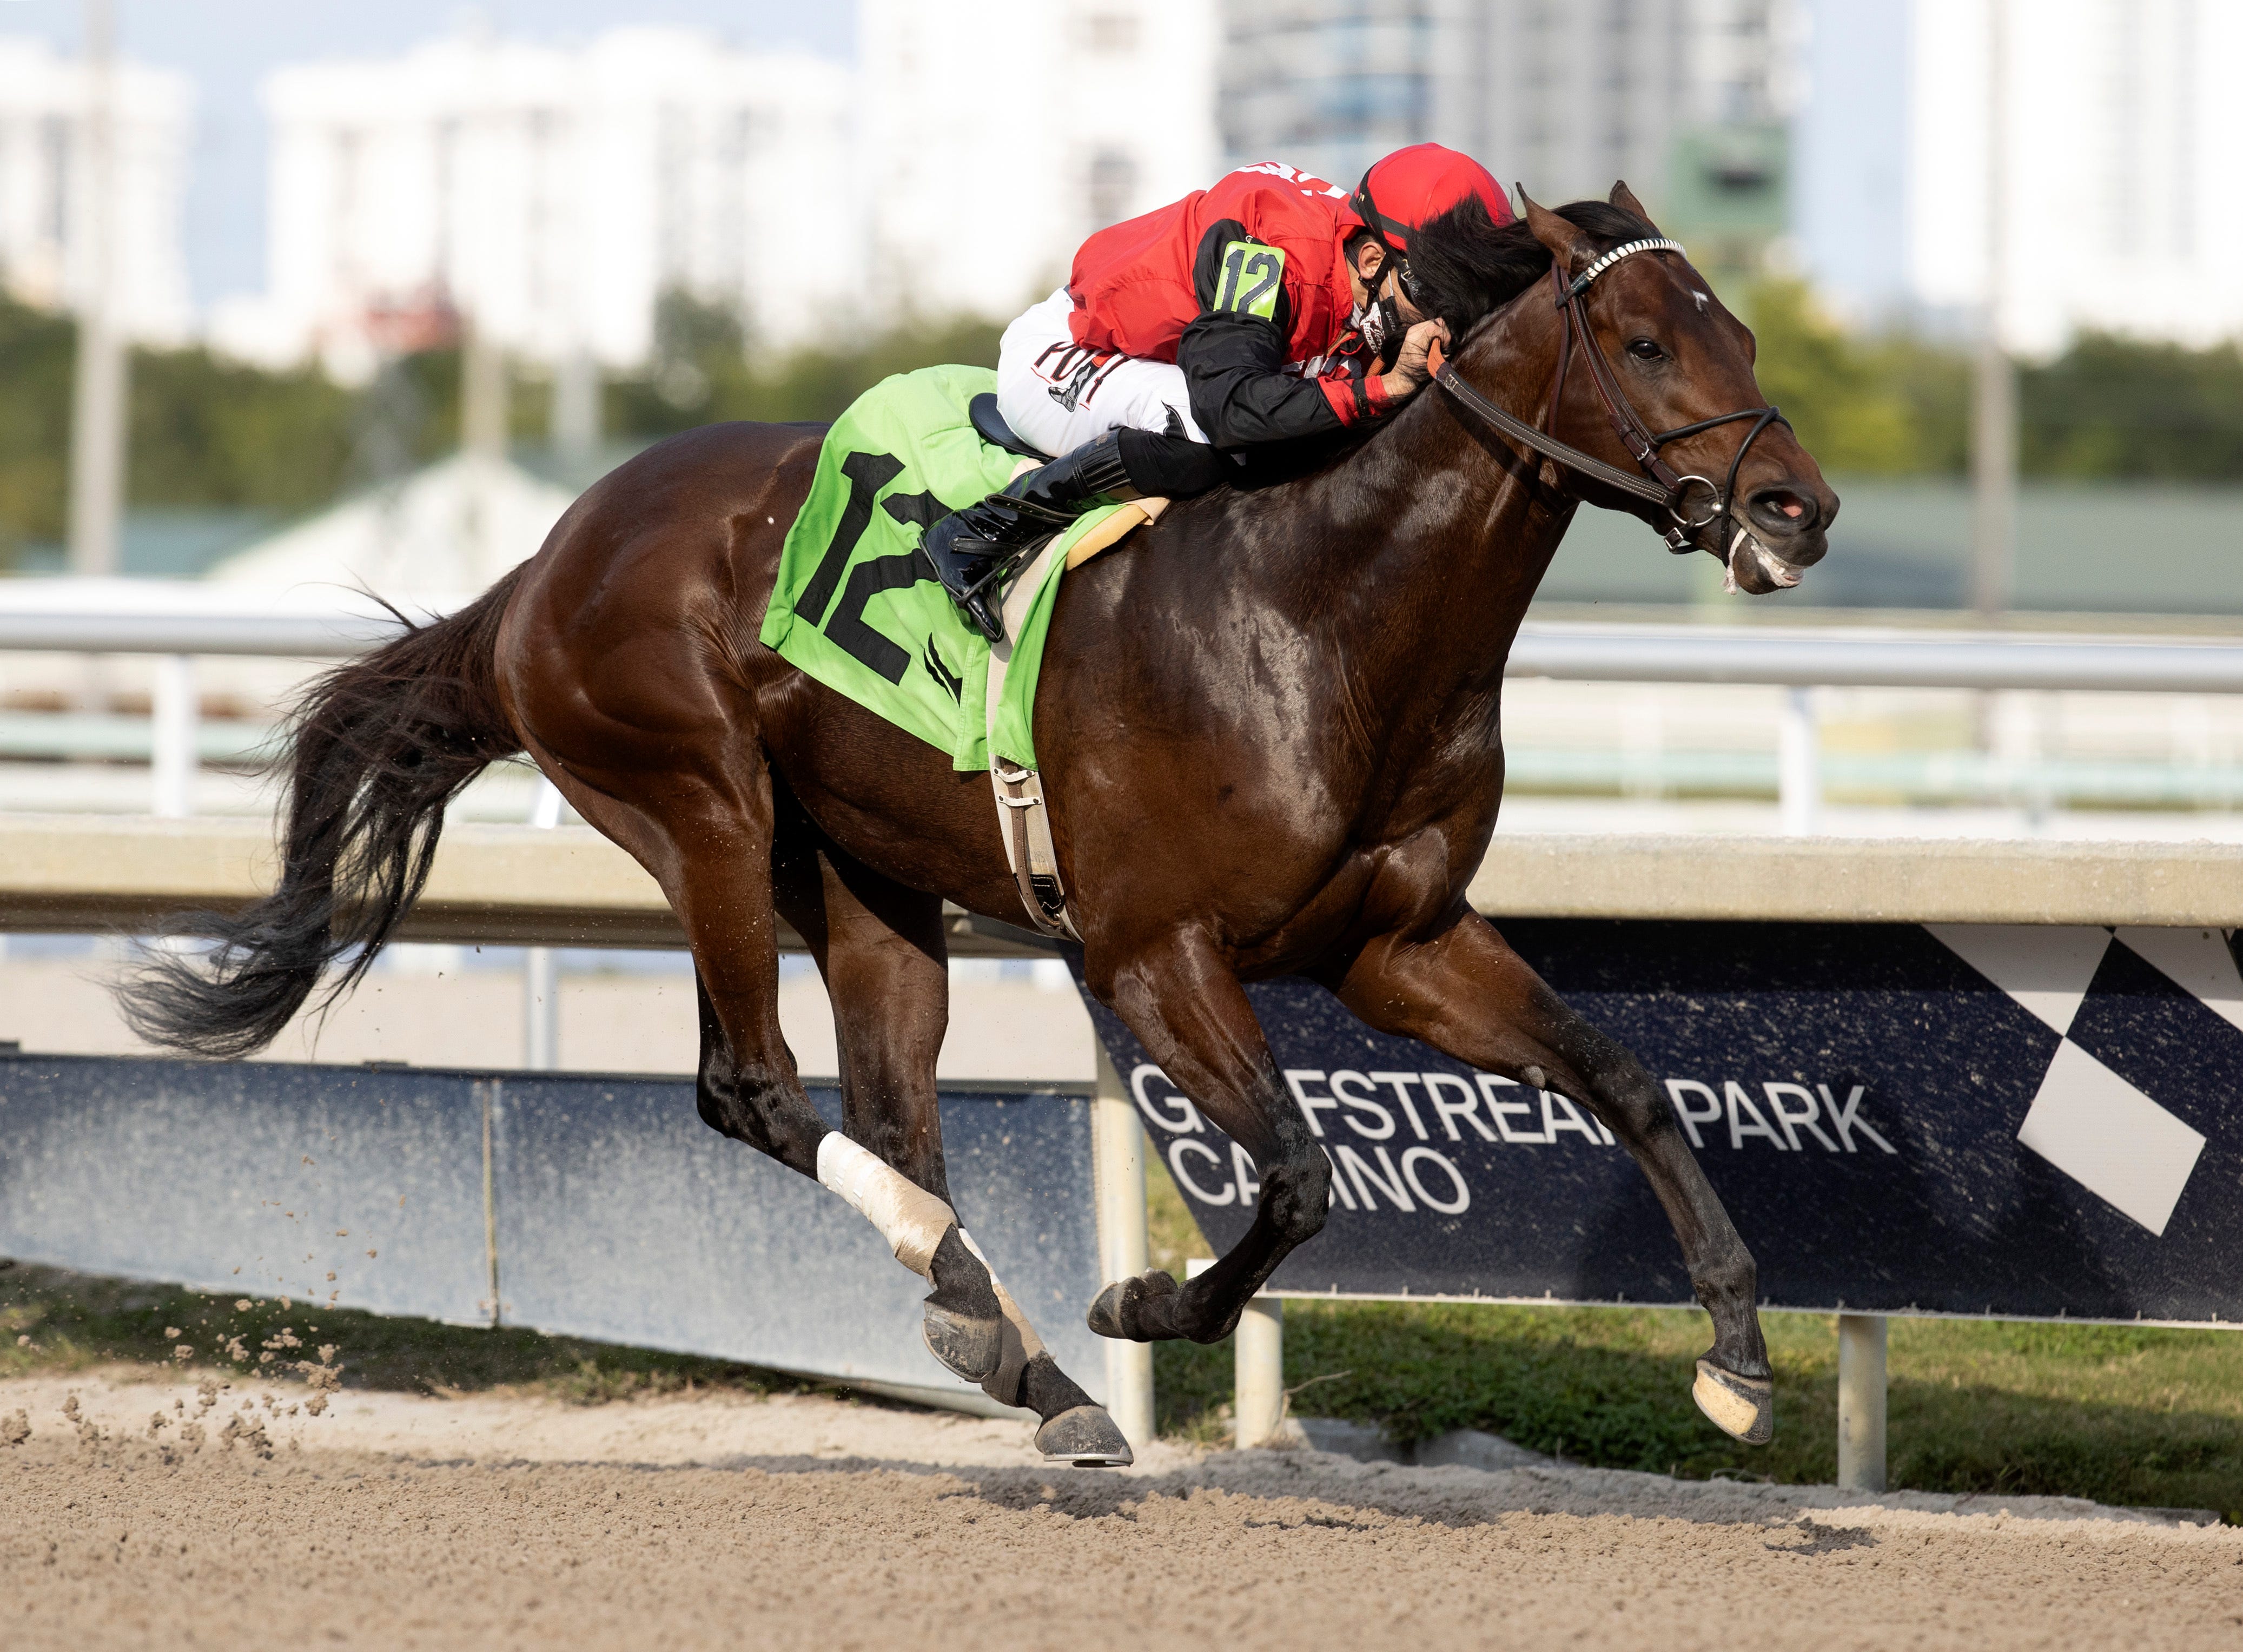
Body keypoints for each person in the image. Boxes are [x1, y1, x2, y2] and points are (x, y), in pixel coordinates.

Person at [924, 143, 1515, 640]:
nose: (1439, 323)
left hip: (1166, 363)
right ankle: (980, 531)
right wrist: (1378, 390)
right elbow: (1229, 409)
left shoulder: (1370, 262)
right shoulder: (1265, 257)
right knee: (1211, 437)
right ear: (1369, 259)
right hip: (1065, 355)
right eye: (1434, 301)